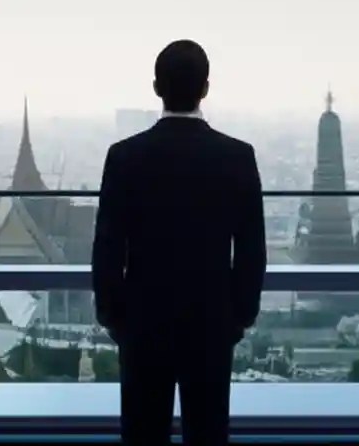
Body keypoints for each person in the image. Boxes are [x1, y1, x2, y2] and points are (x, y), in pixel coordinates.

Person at [92, 39, 266, 445]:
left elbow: (107, 250)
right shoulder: (237, 157)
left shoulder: (124, 157)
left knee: (142, 435)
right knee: (207, 435)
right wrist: (238, 317)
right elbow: (251, 252)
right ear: (206, 88)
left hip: (143, 324)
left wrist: (115, 319)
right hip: (210, 324)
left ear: (156, 87)